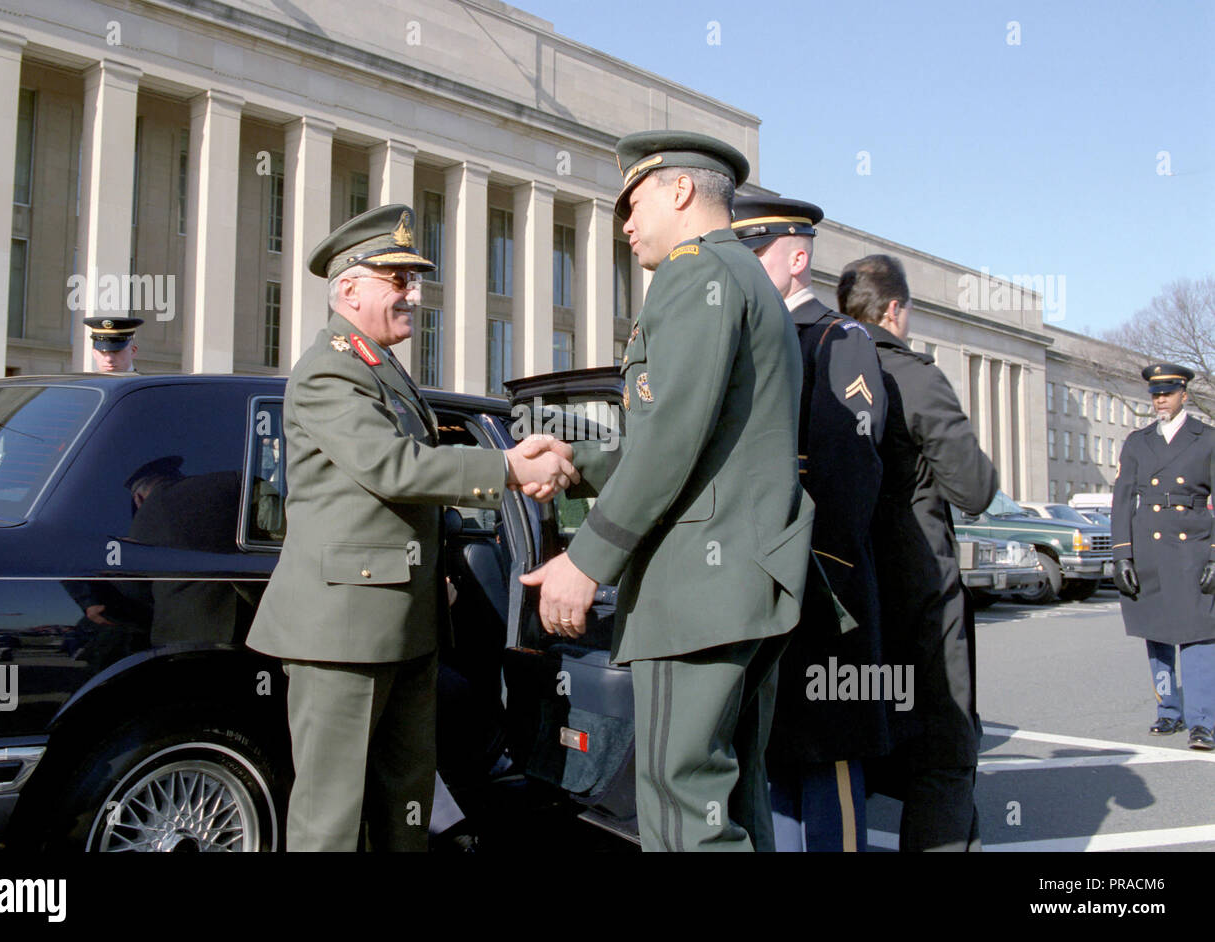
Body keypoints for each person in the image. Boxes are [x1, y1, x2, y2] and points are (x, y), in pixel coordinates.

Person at [246, 203, 578, 851]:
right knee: (332, 815)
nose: (416, 295)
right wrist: (508, 467)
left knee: (407, 800)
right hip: (342, 630)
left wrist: (443, 574)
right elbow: (393, 467)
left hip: (401, 621)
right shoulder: (328, 371)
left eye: (415, 280)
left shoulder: (380, 368)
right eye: (398, 280)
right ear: (348, 289)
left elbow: (408, 492)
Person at [521, 132, 813, 852]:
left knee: (682, 809)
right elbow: (698, 438)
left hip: (694, 594)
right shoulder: (744, 278)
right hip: (739, 588)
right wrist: (579, 459)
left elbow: (672, 435)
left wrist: (586, 560)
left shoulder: (693, 275)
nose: (623, 222)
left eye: (633, 200)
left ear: (679, 191)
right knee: (727, 803)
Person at [733, 195, 888, 852]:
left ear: (797, 258)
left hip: (821, 594)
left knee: (825, 755)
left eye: (752, 255)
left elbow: (849, 479)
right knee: (771, 759)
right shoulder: (748, 341)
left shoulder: (838, 341)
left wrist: (797, 570)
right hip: (756, 590)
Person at [838, 253, 997, 851]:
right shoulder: (913, 375)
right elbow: (975, 488)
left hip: (843, 596)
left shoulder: (815, 371)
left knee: (852, 749)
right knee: (944, 754)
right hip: (919, 593)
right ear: (897, 309)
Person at [1111, 363, 1215, 750]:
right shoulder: (1137, 442)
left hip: (1193, 546)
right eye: (1156, 394)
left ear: (1184, 394)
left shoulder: (1207, 439)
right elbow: (1121, 499)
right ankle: (1168, 711)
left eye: (1168, 393)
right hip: (1149, 547)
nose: (1161, 401)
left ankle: (1204, 722)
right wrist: (1122, 554)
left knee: (1199, 635)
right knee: (1157, 634)